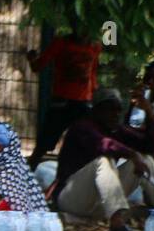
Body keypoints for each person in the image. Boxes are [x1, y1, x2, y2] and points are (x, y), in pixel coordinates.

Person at [54, 88, 154, 231]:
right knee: (104, 160)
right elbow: (104, 145)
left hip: (99, 203)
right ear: (97, 110)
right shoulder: (82, 127)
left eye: (118, 110)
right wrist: (131, 154)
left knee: (146, 159)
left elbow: (152, 147)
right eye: (110, 109)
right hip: (71, 199)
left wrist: (149, 115)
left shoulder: (116, 130)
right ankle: (117, 224)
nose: (115, 114)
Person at [26, 29, 101, 167]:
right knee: (43, 146)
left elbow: (93, 74)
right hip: (62, 102)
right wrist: (32, 60)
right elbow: (38, 66)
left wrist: (93, 96)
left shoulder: (95, 46)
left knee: (86, 145)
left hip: (83, 104)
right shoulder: (60, 43)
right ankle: (23, 179)